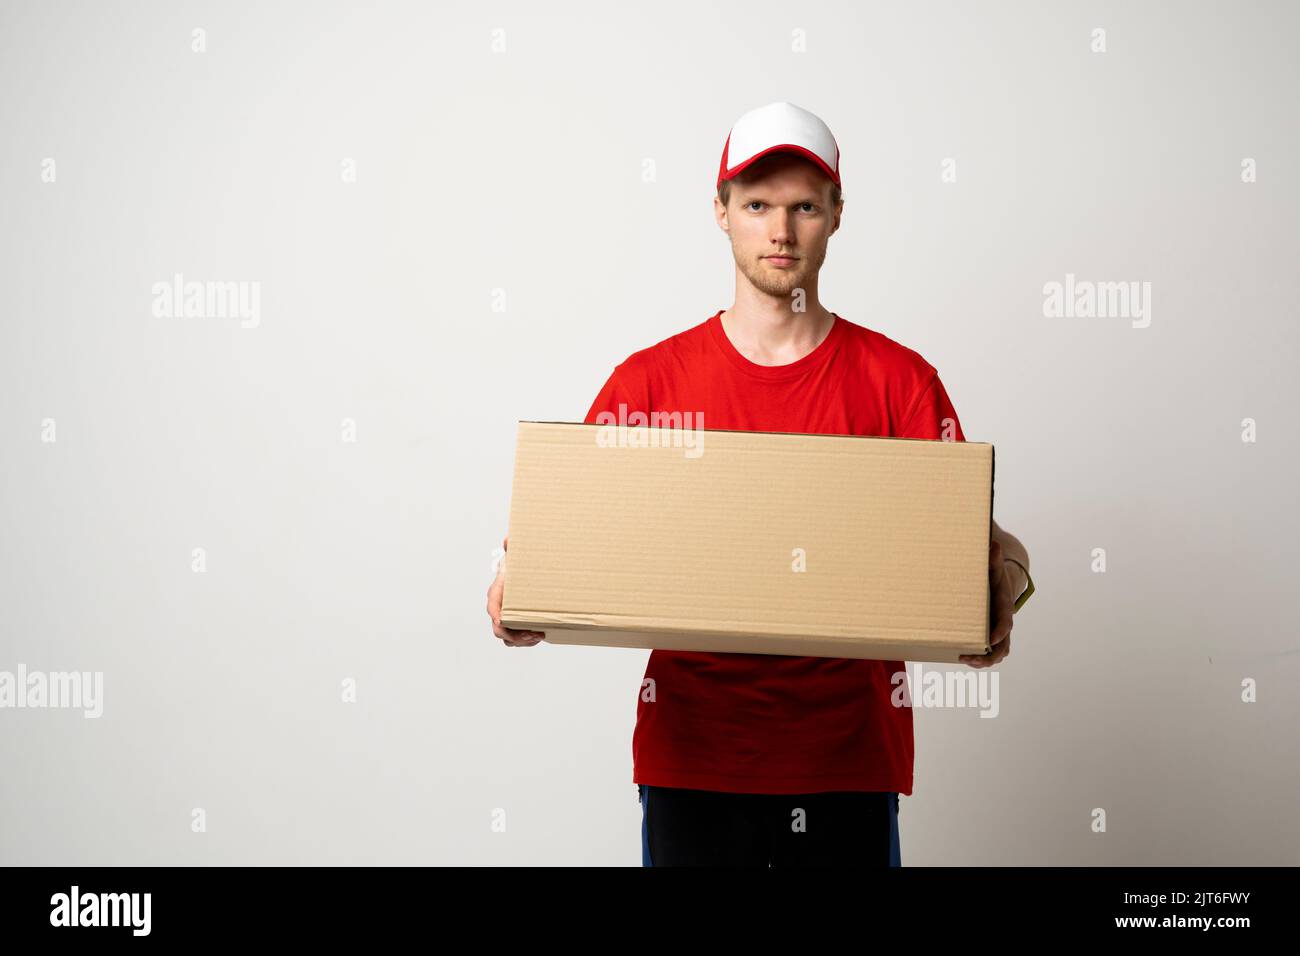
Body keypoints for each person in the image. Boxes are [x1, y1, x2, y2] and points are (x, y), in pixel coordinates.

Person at [486, 101, 1034, 866]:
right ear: (721, 212)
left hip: (847, 761)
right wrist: (515, 583)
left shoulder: (900, 383)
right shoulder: (649, 384)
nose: (780, 231)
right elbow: (560, 535)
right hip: (696, 760)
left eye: (804, 206)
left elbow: (975, 539)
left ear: (837, 215)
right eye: (757, 205)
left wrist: (1004, 580)